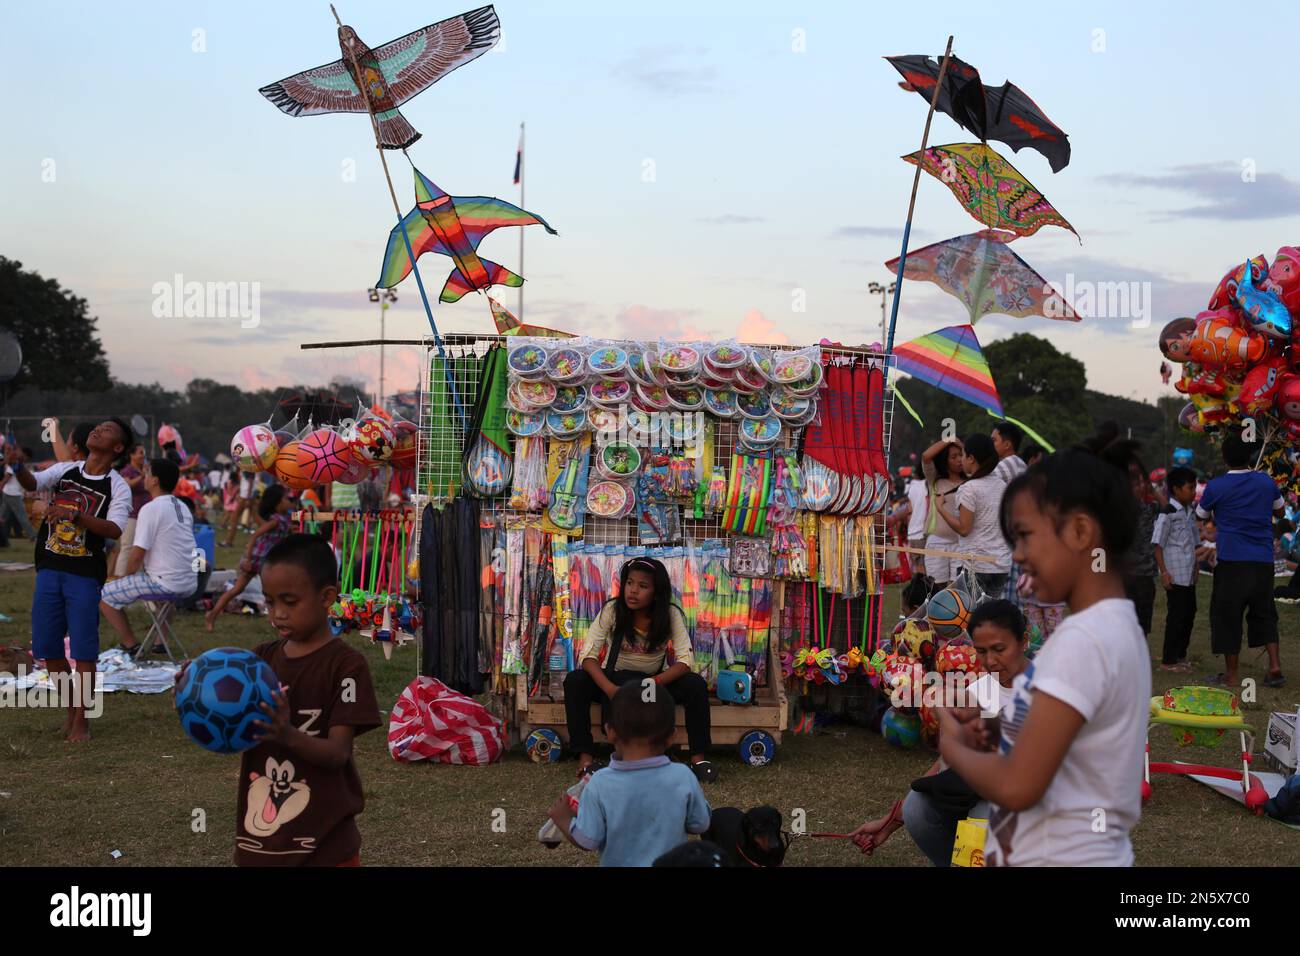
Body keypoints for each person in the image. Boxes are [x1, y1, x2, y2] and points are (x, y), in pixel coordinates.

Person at [936, 438, 1151, 866]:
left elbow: (1018, 786)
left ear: (1080, 531)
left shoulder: (1083, 641)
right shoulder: (1115, 625)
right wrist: (999, 732)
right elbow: (1079, 748)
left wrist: (953, 744)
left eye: (1025, 536)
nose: (1018, 555)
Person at [231, 534, 380, 866]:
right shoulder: (261, 661)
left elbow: (338, 753)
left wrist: (287, 734)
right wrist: (195, 693)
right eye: (270, 602)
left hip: (325, 848)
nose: (277, 614)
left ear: (326, 596)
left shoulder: (346, 666)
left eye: (289, 601)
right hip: (262, 847)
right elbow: (231, 727)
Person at [850, 600, 1031, 865]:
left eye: (1000, 649)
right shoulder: (979, 692)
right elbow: (947, 762)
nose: (990, 661)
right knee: (918, 807)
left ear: (1024, 641)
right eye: (982, 651)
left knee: (985, 813)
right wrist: (890, 823)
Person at [8, 419, 132, 743]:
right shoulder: (67, 470)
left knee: (84, 651)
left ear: (117, 448)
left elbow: (115, 529)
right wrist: (17, 464)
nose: (97, 431)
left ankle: (82, 722)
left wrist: (76, 515)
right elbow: (31, 481)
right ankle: (70, 712)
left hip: (84, 573)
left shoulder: (117, 485)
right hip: (49, 566)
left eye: (107, 430)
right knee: (49, 649)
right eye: (98, 428)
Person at [562, 557, 716, 782]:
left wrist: (655, 682)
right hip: (615, 680)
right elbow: (587, 656)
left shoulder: (670, 615)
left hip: (651, 683)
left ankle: (698, 759)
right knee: (575, 681)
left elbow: (685, 661)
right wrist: (611, 689)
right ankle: (586, 758)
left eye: (643, 586)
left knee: (695, 684)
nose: (633, 591)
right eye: (629, 583)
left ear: (656, 593)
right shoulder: (613, 610)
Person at [548, 681, 711, 867]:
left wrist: (564, 819)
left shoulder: (600, 783)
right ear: (671, 736)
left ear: (610, 731)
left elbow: (588, 840)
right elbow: (700, 824)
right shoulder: (683, 776)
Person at [1196, 434, 1285, 688]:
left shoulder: (1216, 486)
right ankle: (1275, 666)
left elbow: (1202, 514)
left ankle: (1232, 676)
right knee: (1265, 613)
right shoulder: (1265, 481)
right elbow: (1281, 511)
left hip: (1232, 561)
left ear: (1224, 458)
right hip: (1262, 560)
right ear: (1250, 457)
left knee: (1228, 617)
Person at [99, 459, 198, 657]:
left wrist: (124, 578)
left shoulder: (151, 509)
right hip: (189, 581)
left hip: (166, 582)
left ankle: (131, 644)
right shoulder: (181, 506)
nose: (145, 477)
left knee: (102, 596)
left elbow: (137, 555)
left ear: (155, 481)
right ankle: (160, 643)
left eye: (147, 473)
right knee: (165, 601)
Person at [205, 484, 292, 631]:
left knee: (246, 590)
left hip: (265, 560)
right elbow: (254, 536)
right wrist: (248, 560)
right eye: (285, 498)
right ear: (277, 503)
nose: (288, 501)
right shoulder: (276, 520)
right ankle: (212, 615)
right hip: (257, 560)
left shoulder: (281, 518)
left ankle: (212, 615)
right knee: (246, 590)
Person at [935, 433, 1012, 597]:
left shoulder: (969, 488)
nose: (961, 460)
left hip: (975, 566)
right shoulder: (1002, 485)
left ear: (971, 458)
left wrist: (940, 509)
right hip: (1001, 565)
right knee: (990, 617)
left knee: (970, 619)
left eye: (962, 455)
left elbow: (964, 528)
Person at [1154, 466, 1199, 672]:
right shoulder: (1168, 513)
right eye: (1190, 487)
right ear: (1176, 489)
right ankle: (1169, 660)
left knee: (1189, 613)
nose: (1193, 491)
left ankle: (1180, 654)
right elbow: (1158, 545)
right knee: (1177, 616)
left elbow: (1193, 542)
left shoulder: (1190, 513)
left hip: (1188, 574)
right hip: (1174, 574)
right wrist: (1164, 572)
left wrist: (1197, 565)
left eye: (1194, 487)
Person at [921, 438, 966, 592]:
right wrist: (949, 439)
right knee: (936, 588)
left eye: (961, 455)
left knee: (957, 589)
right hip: (936, 542)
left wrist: (961, 444)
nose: (960, 460)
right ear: (944, 461)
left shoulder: (970, 481)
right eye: (953, 457)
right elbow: (926, 456)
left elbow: (977, 460)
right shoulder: (934, 480)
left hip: (961, 543)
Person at [1123, 461, 1160, 641]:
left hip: (1145, 575)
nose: (1138, 488)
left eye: (1140, 484)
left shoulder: (1150, 509)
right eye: (1133, 484)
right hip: (1122, 577)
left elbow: (1170, 508)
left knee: (1142, 624)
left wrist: (1153, 492)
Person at [112, 443, 151, 580]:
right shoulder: (128, 471)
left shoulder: (144, 471)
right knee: (127, 546)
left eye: (143, 453)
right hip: (131, 515)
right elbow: (126, 485)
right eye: (140, 452)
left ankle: (136, 577)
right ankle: (120, 578)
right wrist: (142, 476)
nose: (143, 456)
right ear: (132, 455)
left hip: (144, 515)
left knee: (141, 547)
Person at [2, 446, 38, 540]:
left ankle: (3, 539)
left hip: (8, 493)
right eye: (27, 457)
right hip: (13, 495)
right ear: (24, 455)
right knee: (23, 517)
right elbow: (6, 479)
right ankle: (34, 536)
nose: (26, 460)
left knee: (2, 518)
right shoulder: (15, 464)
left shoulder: (19, 464)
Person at [904, 464, 930, 575]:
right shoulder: (927, 485)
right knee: (924, 569)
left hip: (912, 532)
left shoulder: (912, 486)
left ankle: (919, 590)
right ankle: (923, 591)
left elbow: (909, 510)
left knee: (917, 568)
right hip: (923, 532)